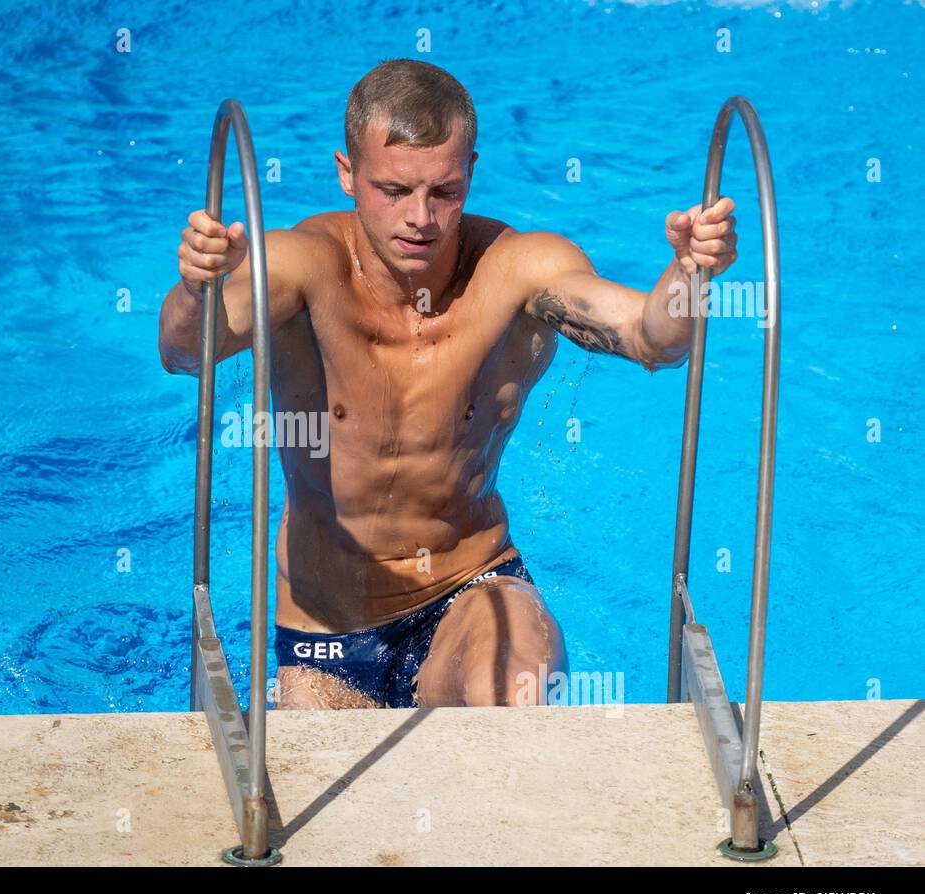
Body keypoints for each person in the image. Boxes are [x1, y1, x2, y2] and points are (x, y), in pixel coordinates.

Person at [158, 59, 737, 709]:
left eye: (444, 191)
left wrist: (689, 272)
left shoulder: (518, 271)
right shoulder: (301, 267)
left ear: (471, 172)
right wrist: (195, 288)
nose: (420, 218)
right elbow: (184, 353)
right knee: (330, 792)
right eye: (393, 189)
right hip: (328, 635)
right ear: (346, 172)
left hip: (470, 588)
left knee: (519, 695)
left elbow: (651, 339)